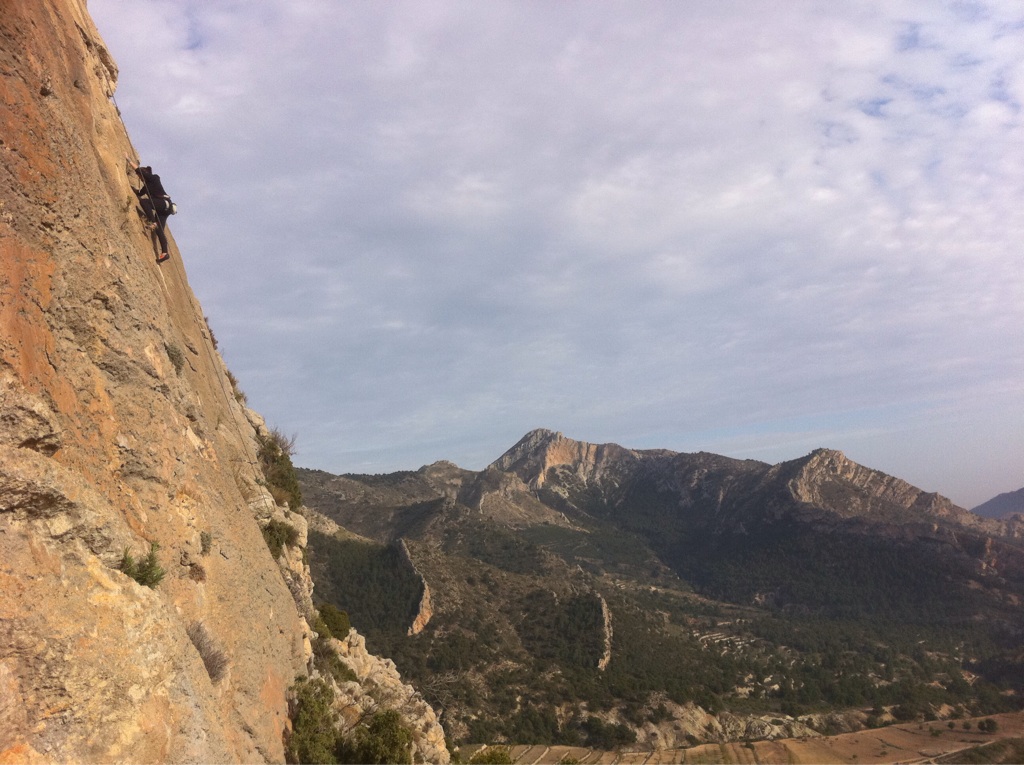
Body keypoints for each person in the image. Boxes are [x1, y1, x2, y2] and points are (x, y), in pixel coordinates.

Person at [128, 156, 173, 263]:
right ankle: (165, 253)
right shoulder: (146, 187)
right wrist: (134, 189)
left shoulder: (154, 178)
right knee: (159, 231)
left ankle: (153, 222)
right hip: (164, 209)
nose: (139, 178)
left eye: (139, 176)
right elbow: (139, 193)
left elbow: (139, 171)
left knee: (144, 202)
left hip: (164, 203)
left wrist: (128, 160)